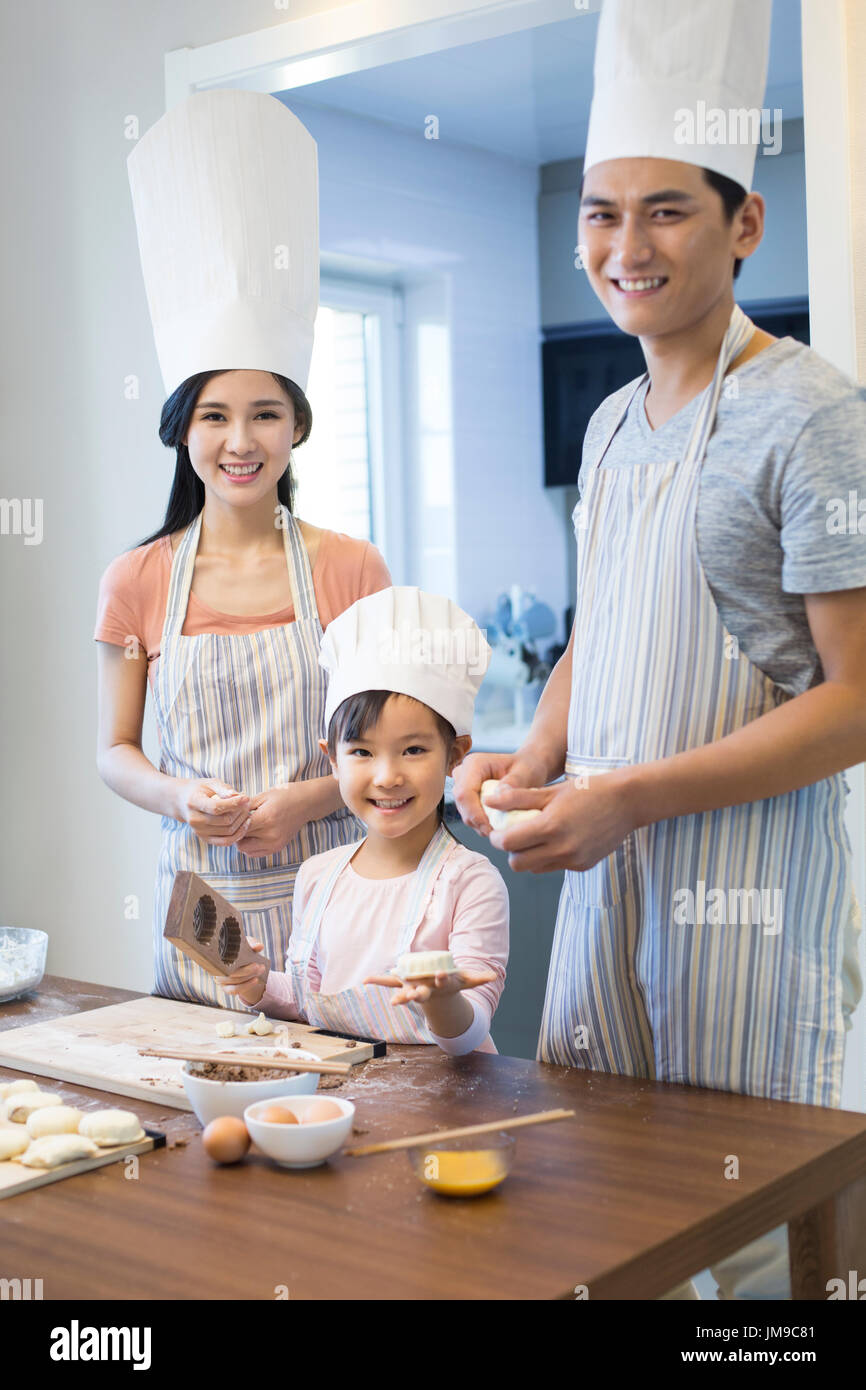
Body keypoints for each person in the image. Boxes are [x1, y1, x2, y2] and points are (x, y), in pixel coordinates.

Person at [454, 0, 866, 1299]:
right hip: (604, 890)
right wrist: (538, 754)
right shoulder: (611, 421)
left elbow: (856, 703)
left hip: (747, 903)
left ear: (743, 222)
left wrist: (626, 795)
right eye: (596, 210)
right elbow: (602, 628)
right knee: (606, 1220)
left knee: (744, 1249)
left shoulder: (812, 416)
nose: (621, 246)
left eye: (665, 210)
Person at [95, 90, 390, 1006]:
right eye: (215, 415)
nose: (240, 440)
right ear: (184, 430)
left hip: (336, 897)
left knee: (346, 1111)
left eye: (265, 413)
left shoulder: (352, 568)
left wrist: (300, 803)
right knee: (199, 1127)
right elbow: (114, 749)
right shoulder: (137, 578)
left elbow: (394, 751)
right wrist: (184, 799)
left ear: (295, 428)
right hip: (200, 913)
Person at [220, 587, 509, 1054]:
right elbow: (304, 1001)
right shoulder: (317, 876)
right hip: (344, 1101)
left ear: (455, 754)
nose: (387, 775)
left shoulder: (471, 883)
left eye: (413, 750)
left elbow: (470, 1033)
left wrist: (442, 1000)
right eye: (362, 752)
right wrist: (257, 984)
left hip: (449, 1109)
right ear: (331, 760)